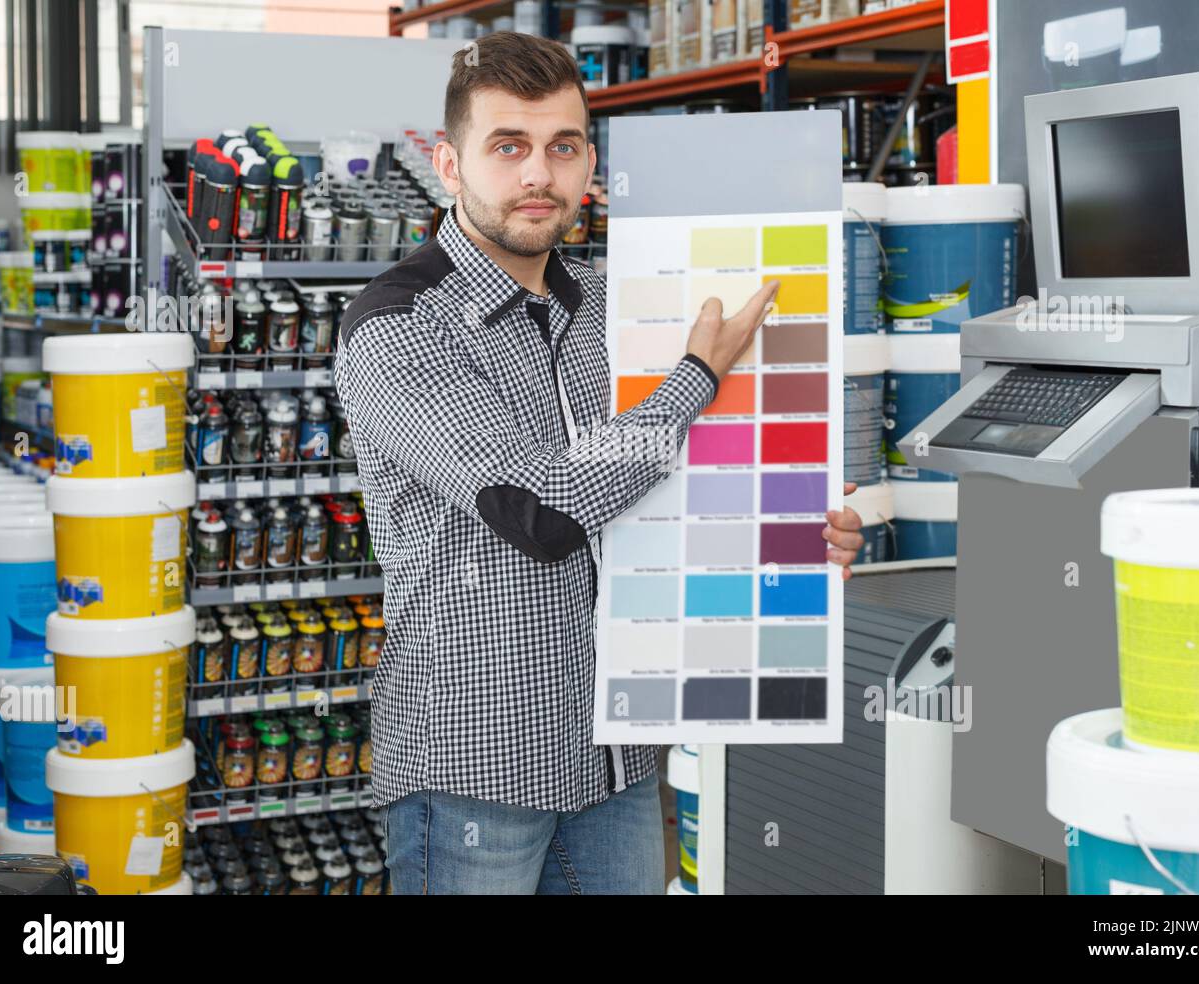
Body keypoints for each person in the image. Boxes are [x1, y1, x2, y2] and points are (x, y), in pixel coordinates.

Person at [333, 30, 866, 895]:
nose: (538, 174)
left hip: (614, 757)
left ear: (588, 162)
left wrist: (787, 533)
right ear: (448, 164)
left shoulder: (615, 304)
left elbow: (656, 493)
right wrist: (696, 378)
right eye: (508, 147)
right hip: (478, 764)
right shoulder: (398, 325)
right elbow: (539, 508)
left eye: (563, 146)